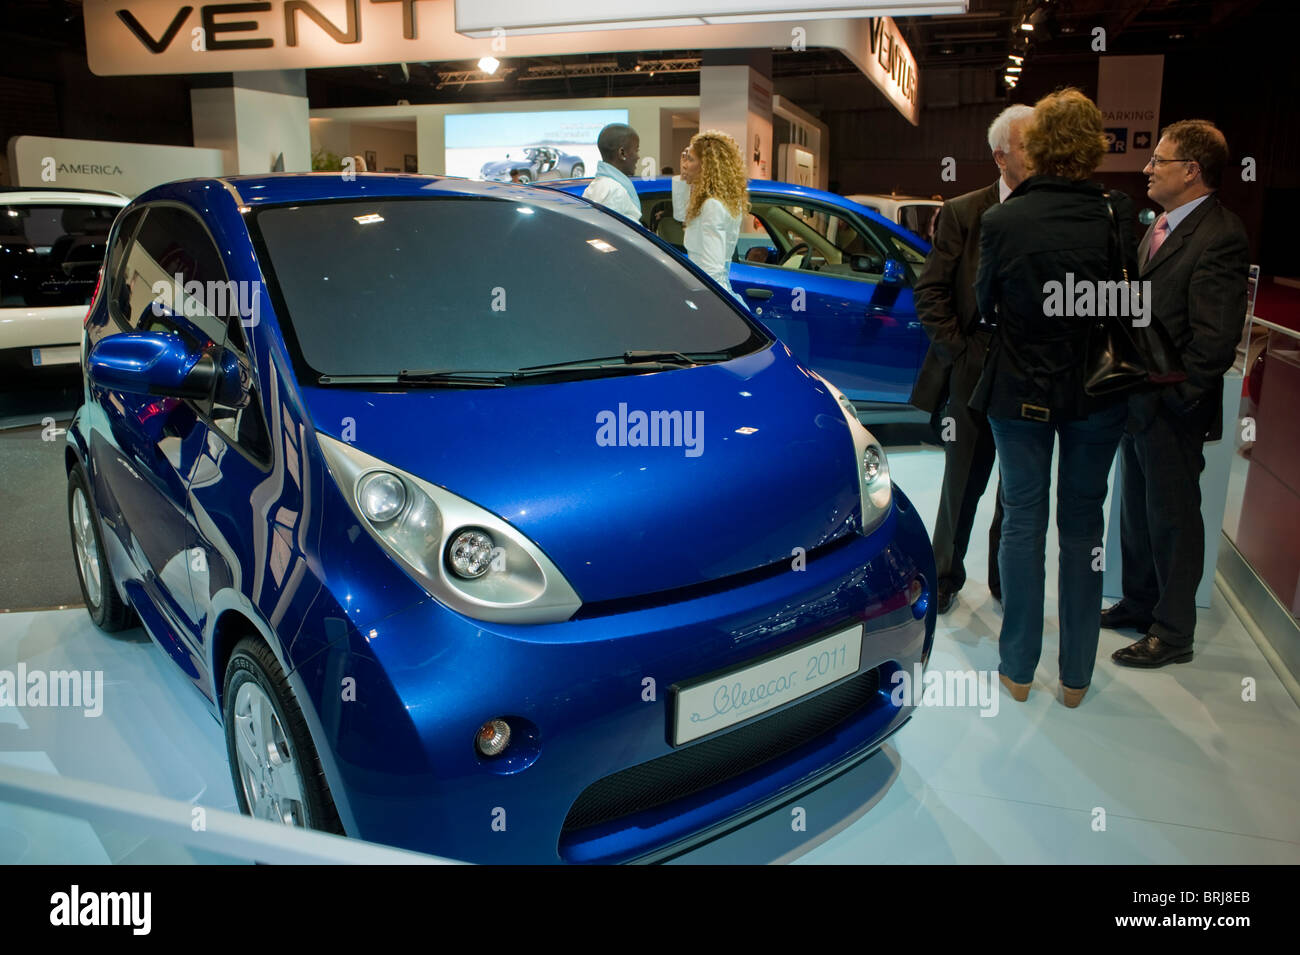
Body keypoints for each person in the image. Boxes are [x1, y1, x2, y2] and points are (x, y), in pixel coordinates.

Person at [970, 88, 1138, 708]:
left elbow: (984, 307)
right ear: (1094, 146)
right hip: (1097, 393)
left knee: (1022, 522)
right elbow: (1128, 306)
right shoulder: (1118, 214)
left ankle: (1016, 668)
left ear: (1034, 146)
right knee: (1082, 527)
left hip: (1020, 393)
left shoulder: (1003, 219)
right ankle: (1076, 677)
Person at [1106, 120, 1250, 668]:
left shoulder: (1220, 233)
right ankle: (1141, 602)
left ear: (1191, 170)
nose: (1147, 169)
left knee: (1173, 517)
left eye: (1158, 161)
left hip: (1170, 407)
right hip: (1138, 400)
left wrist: (1177, 397)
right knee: (1139, 513)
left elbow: (1215, 337)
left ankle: (1173, 632)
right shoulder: (1160, 225)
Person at [910, 104, 1034, 614]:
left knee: (1021, 484)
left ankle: (1005, 578)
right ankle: (944, 575)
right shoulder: (965, 211)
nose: (1043, 154)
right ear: (1001, 155)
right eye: (1031, 144)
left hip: (1033, 367)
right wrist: (961, 350)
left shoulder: (1049, 212)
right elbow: (931, 292)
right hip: (975, 361)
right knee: (962, 480)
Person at [672, 130, 747, 298]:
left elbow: (712, 269)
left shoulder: (712, 205)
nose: (684, 164)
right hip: (709, 288)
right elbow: (680, 216)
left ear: (706, 166)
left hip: (709, 291)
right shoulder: (720, 201)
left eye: (690, 159)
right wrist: (683, 178)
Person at [581, 124, 642, 220]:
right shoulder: (614, 190)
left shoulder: (598, 186)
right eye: (636, 150)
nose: (638, 157)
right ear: (622, 153)